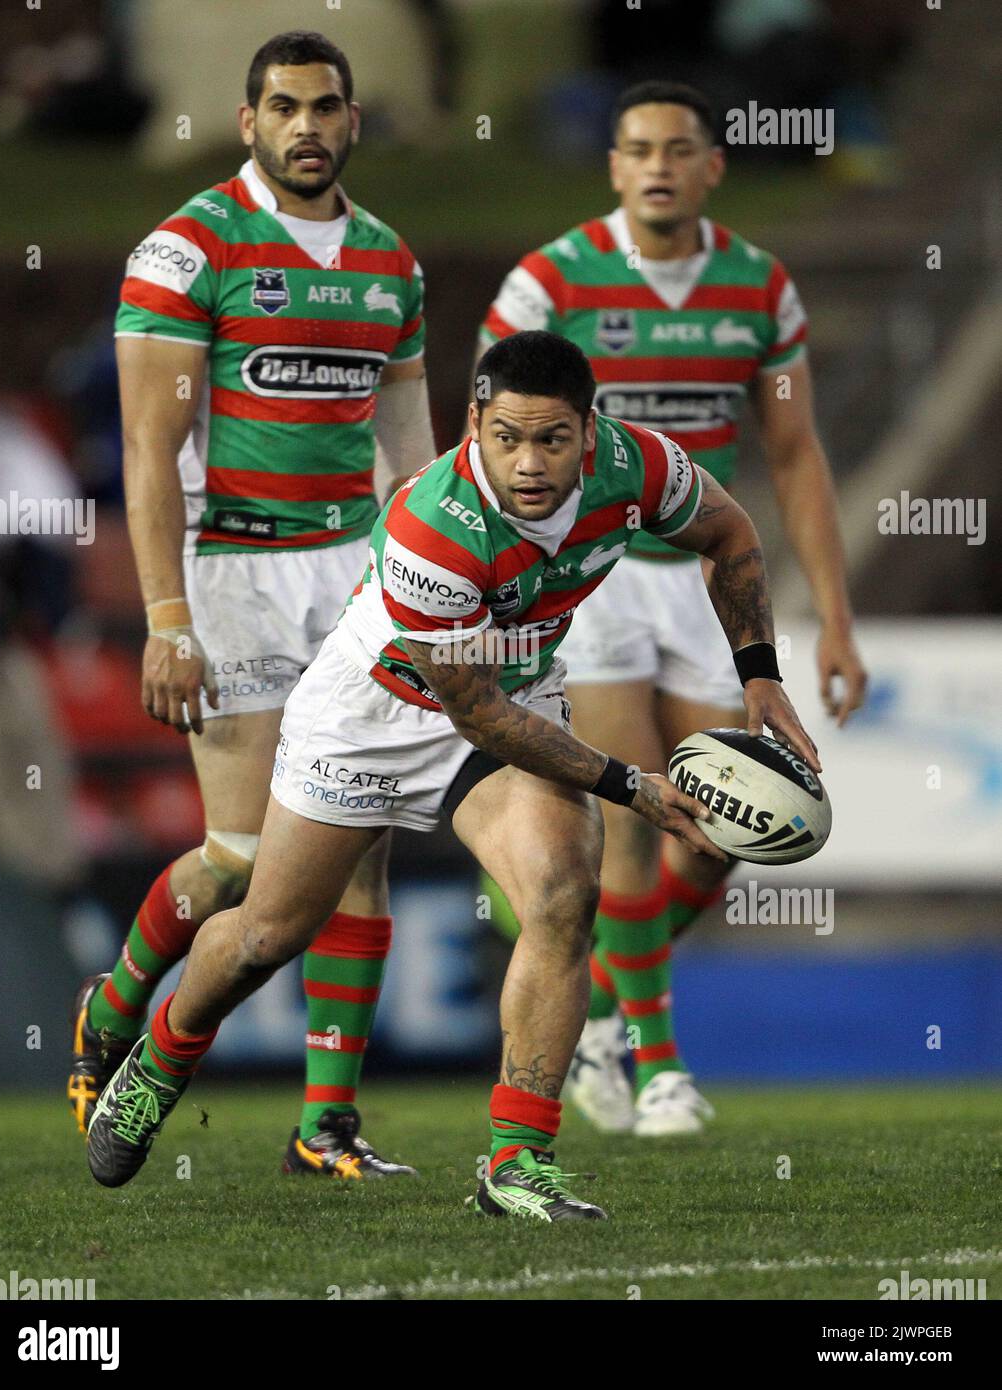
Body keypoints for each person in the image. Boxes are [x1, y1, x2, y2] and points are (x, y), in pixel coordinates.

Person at [86, 330, 820, 1222]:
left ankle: (517, 1158)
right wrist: (632, 786)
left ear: (592, 433)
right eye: (506, 437)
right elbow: (477, 715)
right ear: (473, 423)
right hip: (374, 715)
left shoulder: (640, 468)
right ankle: (159, 1059)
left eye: (553, 438)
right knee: (266, 936)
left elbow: (730, 533)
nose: (529, 462)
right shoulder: (437, 522)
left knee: (560, 891)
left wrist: (761, 675)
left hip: (511, 698)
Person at [68, 30, 435, 1179]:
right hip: (227, 570)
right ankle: (115, 1003)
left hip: (352, 576)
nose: (307, 127)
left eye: (326, 107)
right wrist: (164, 615)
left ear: (353, 121)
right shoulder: (189, 249)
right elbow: (145, 448)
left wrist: (432, 594)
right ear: (248, 123)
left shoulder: (389, 265)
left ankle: (324, 1126)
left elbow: (410, 450)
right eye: (284, 107)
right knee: (236, 857)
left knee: (359, 854)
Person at [477, 81, 865, 1137]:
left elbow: (792, 451)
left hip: (703, 570)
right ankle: (656, 1069)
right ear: (611, 166)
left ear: (710, 167)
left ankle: (603, 1010)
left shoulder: (758, 287)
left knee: (730, 827)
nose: (655, 164)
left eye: (676, 147)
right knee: (637, 816)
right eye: (635, 147)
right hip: (589, 572)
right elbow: (483, 434)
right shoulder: (547, 281)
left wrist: (829, 616)